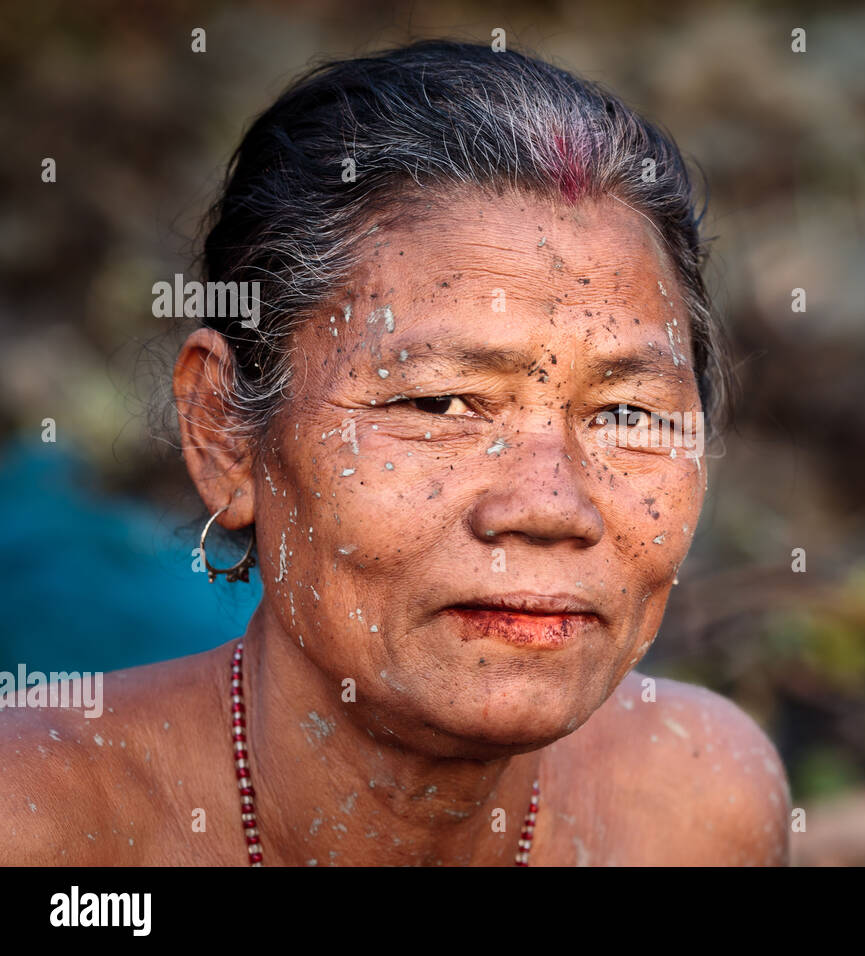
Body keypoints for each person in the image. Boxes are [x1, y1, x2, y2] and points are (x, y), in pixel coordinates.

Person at [0, 39, 790, 866]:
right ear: (226, 433)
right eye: (440, 402)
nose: (551, 505)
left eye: (628, 412)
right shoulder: (45, 832)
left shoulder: (693, 805)